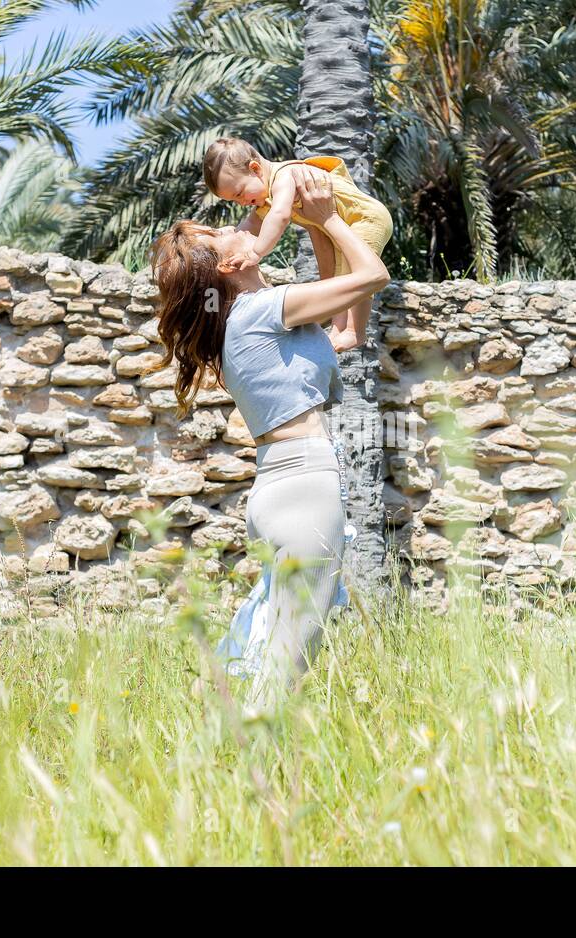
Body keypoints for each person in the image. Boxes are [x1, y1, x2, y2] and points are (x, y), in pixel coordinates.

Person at [152, 165, 390, 706]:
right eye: (226, 232)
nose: (242, 224)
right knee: (289, 659)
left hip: (284, 485)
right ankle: (249, 766)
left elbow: (347, 335)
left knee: (274, 645)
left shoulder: (253, 319)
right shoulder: (264, 310)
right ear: (233, 263)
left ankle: (232, 750)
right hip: (304, 482)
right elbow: (373, 275)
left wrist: (315, 227)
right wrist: (332, 218)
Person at [202, 136, 393, 354]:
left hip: (366, 218)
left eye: (240, 193)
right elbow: (251, 223)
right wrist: (229, 241)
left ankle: (354, 330)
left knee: (355, 273)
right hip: (347, 223)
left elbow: (281, 215)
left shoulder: (285, 176)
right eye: (234, 201)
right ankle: (338, 329)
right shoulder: (265, 195)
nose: (242, 202)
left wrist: (256, 252)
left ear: (255, 169)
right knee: (344, 276)